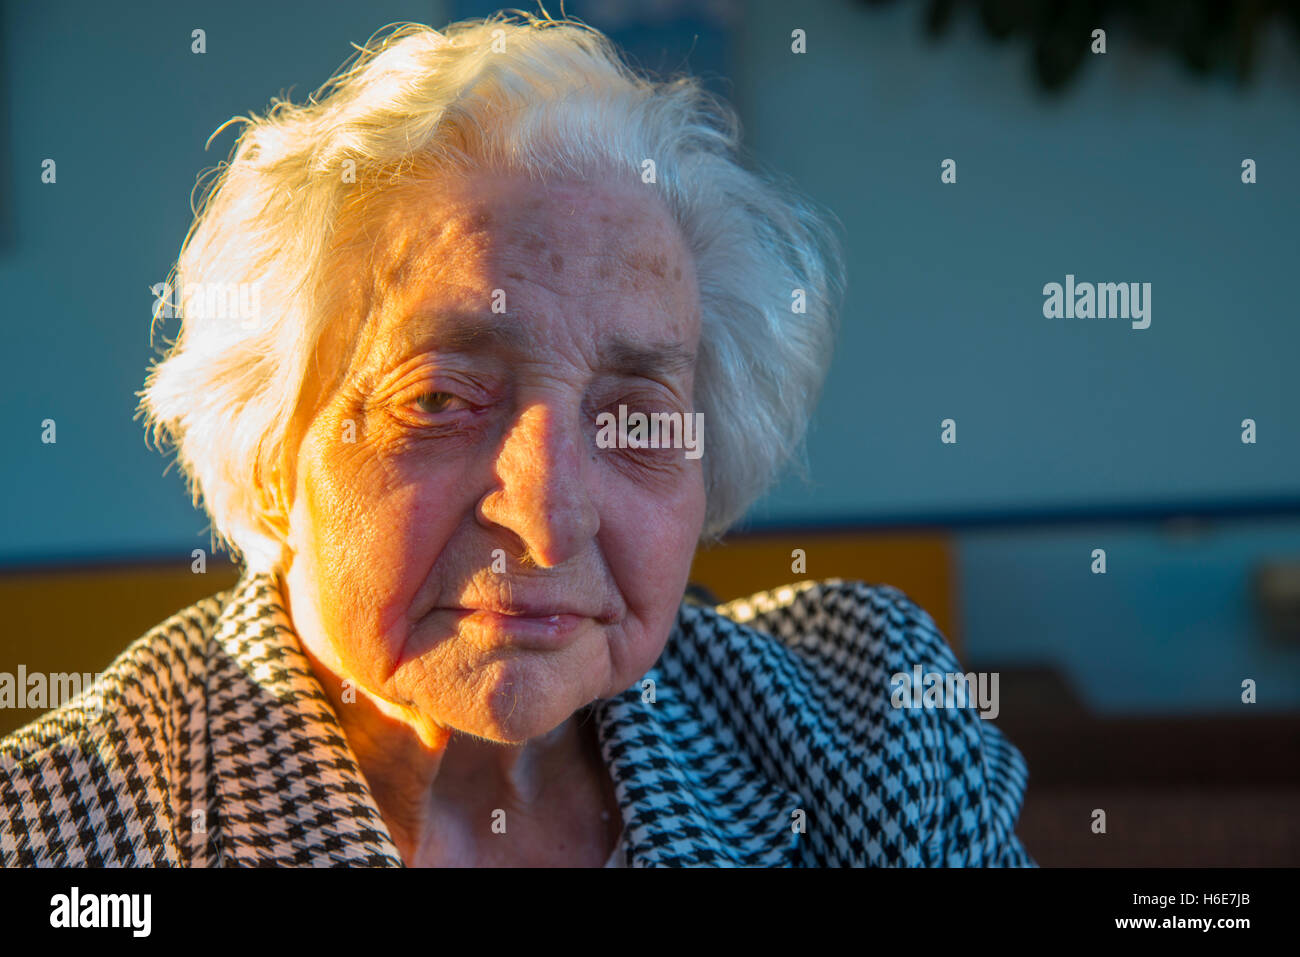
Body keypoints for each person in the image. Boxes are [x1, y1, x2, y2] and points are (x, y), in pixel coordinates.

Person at [0, 12, 1033, 867]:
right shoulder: (55, 837)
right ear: (271, 453)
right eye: (442, 400)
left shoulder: (868, 731)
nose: (546, 518)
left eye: (634, 418)